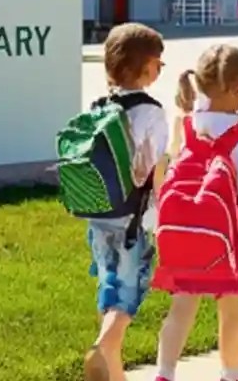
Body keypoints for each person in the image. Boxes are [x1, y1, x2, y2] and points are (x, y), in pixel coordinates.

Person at [151, 44, 238, 381]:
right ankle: (233, 373)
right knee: (230, 309)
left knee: (181, 306)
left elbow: (168, 172)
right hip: (231, 235)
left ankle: (165, 372)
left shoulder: (185, 125)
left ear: (199, 84)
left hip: (186, 229)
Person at [80, 23, 169, 381]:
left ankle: (113, 370)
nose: (160, 70)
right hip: (134, 221)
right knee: (129, 294)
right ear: (146, 67)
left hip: (99, 217)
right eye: (158, 63)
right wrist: (163, 216)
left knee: (110, 287)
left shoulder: (100, 107)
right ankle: (102, 346)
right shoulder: (151, 112)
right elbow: (155, 170)